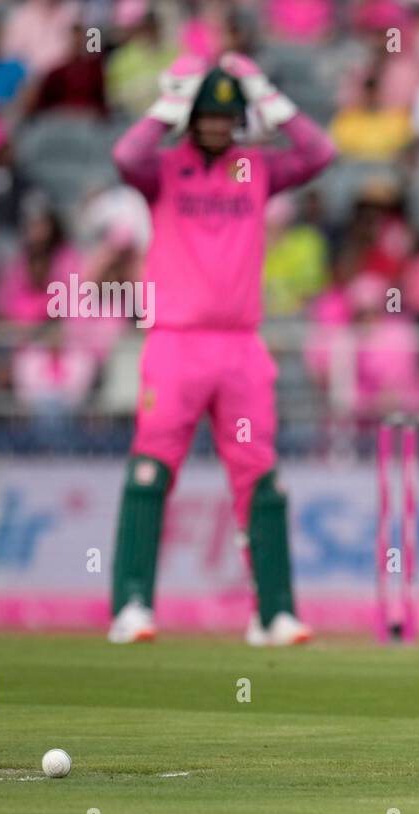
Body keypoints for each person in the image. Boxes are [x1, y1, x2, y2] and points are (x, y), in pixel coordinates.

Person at [107, 54, 333, 646]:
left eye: (224, 117)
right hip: (176, 343)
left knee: (259, 477)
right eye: (205, 115)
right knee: (152, 470)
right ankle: (131, 606)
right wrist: (168, 105)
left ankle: (273, 613)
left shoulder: (254, 169)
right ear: (191, 117)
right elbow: (125, 156)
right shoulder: (164, 169)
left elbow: (318, 153)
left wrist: (267, 91)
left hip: (240, 346)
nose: (213, 126)